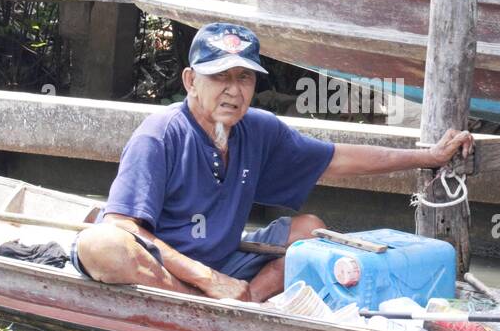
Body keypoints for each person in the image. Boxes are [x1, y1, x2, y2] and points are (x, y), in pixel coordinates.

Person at [73, 22, 473, 302]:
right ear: (191, 81)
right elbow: (123, 227)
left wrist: (428, 156)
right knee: (100, 244)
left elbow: (337, 159)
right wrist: (207, 280)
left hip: (226, 261)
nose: (233, 90)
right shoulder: (159, 135)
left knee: (310, 231)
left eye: (244, 79)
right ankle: (200, 303)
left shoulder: (258, 129)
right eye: (220, 77)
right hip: (164, 269)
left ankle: (249, 303)